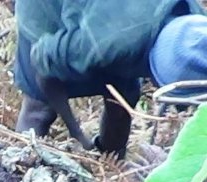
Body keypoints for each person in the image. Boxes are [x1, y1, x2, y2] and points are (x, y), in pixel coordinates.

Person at [13, 0, 207, 157]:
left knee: (123, 100)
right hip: (48, 12)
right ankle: (15, 175)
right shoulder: (101, 46)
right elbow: (42, 64)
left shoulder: (196, 22)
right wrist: (78, 135)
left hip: (112, 24)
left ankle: (111, 166)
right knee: (39, 110)